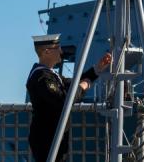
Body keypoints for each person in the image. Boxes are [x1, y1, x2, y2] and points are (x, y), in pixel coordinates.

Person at [26, 34, 111, 162]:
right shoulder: (41, 77)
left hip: (54, 137)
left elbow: (74, 82)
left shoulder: (51, 75)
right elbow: (64, 101)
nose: (61, 51)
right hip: (46, 140)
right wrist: (82, 87)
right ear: (47, 51)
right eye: (57, 47)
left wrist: (97, 69)